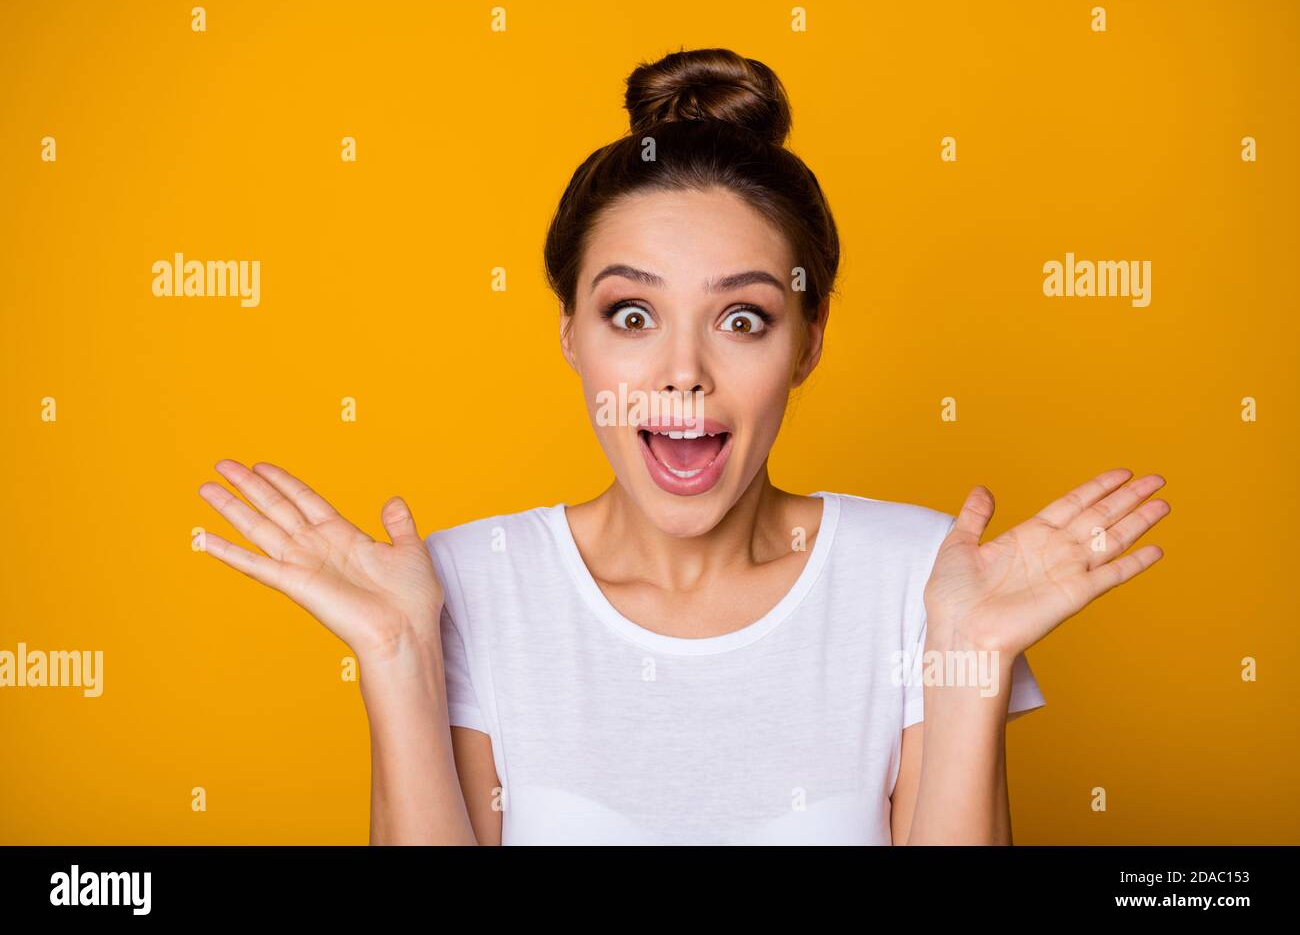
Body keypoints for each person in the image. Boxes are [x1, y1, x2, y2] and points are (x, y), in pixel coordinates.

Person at [196, 47, 1170, 845]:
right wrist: (398, 653)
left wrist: (968, 657)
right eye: (630, 312)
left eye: (742, 319)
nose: (682, 372)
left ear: (808, 341)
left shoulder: (924, 579)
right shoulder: (463, 583)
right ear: (571, 333)